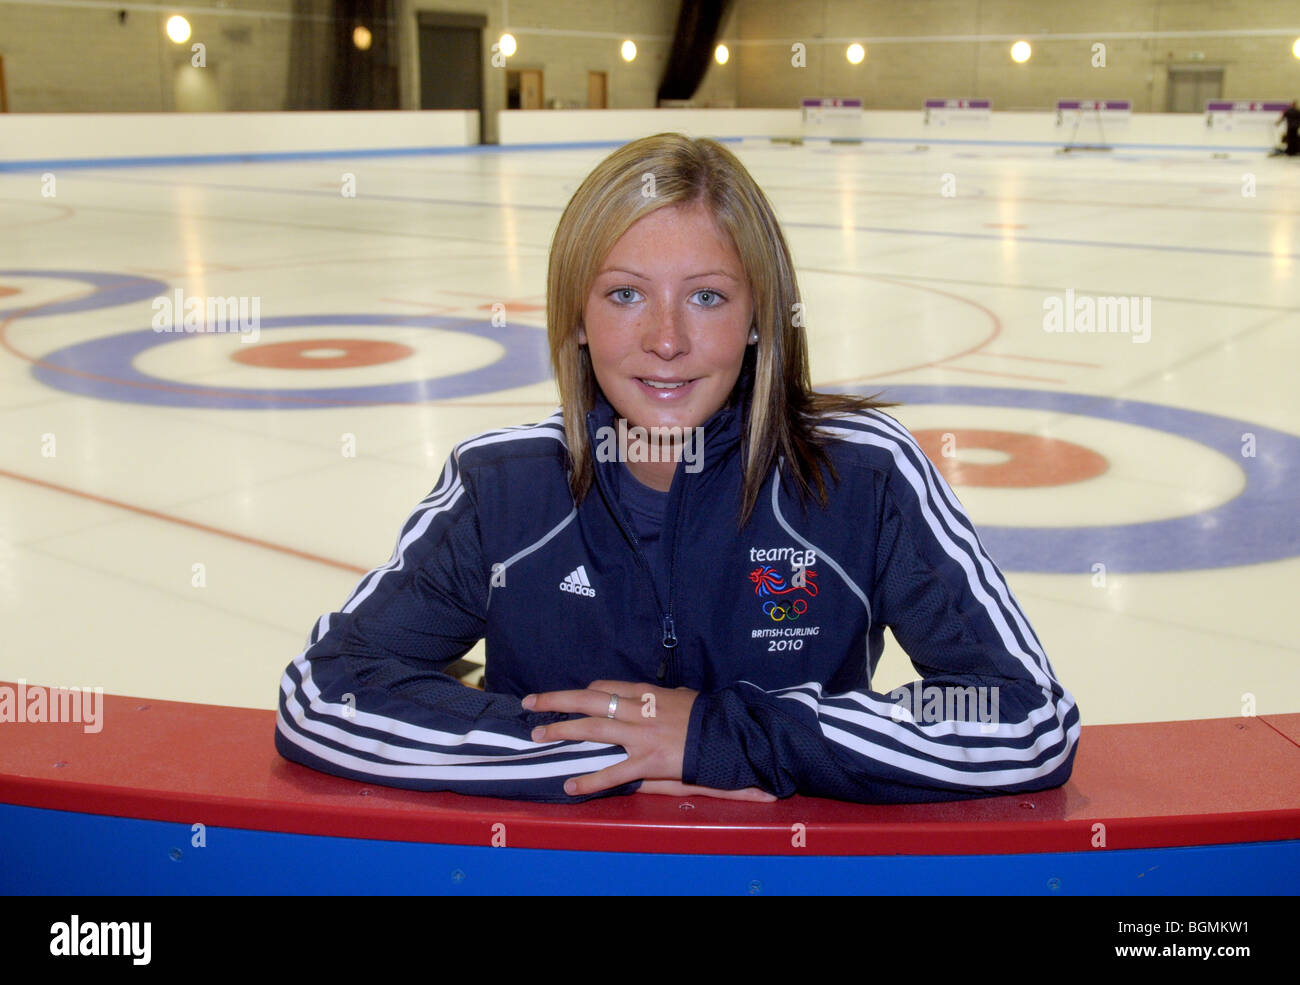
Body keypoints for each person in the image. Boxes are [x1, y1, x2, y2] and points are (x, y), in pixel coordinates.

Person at [274, 132, 1080, 804]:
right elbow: (324, 692)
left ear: (761, 313)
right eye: (625, 295)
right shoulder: (503, 488)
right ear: (577, 318)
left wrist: (717, 739)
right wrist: (607, 752)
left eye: (706, 297)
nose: (665, 338)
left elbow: (1026, 717)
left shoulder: (864, 479)